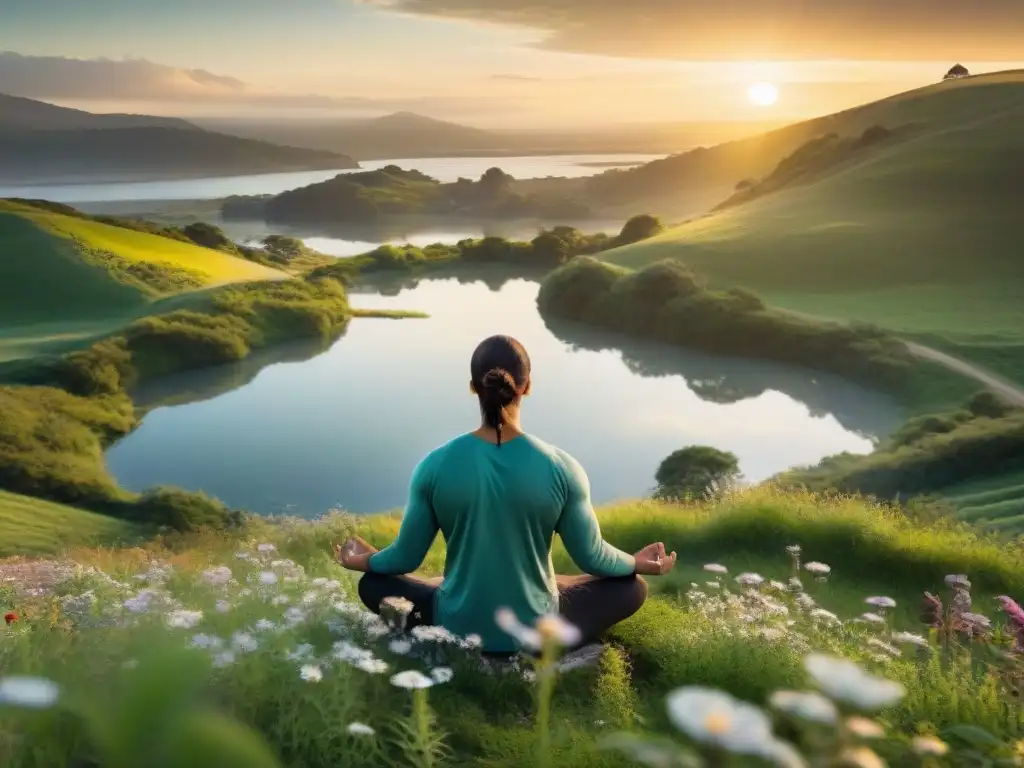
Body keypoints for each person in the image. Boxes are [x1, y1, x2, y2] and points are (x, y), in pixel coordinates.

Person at [335, 334, 677, 654]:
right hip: (537, 631)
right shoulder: (562, 467)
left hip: (457, 624)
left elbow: (404, 559)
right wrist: (637, 562)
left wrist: (365, 560)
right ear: (526, 387)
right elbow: (594, 558)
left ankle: (451, 595)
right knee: (632, 587)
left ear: (473, 387)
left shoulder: (434, 465)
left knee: (373, 585)